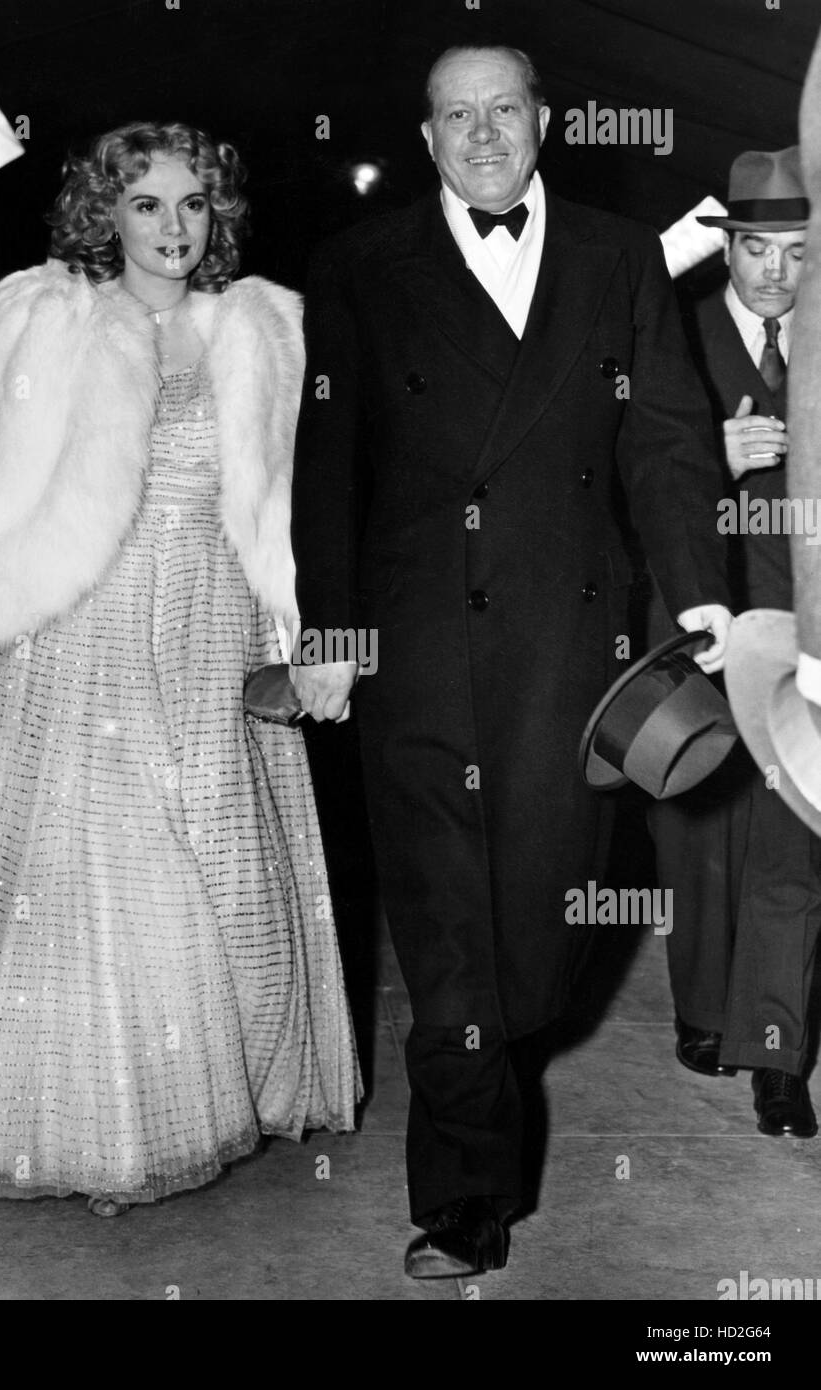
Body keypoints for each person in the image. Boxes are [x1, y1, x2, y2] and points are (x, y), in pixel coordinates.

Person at [291, 45, 731, 1278]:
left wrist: (699, 602)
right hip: (420, 647)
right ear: (425, 137)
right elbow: (325, 470)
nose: (482, 133)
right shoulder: (359, 267)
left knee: (537, 937)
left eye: (503, 109)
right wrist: (330, 628)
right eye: (454, 115)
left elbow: (667, 446)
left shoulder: (616, 253)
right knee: (448, 941)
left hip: (570, 657)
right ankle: (461, 1203)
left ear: (542, 120)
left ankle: (501, 1036)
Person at [0, 121, 360, 1215]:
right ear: (106, 212)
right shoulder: (42, 313)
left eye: (192, 204)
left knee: (222, 869)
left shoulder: (263, 328)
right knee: (100, 870)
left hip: (216, 628)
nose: (173, 227)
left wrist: (307, 636)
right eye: (147, 204)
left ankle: (213, 1088)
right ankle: (105, 1121)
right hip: (77, 632)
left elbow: (297, 507)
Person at [649, 148, 818, 1137]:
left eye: (798, 253)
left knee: (793, 834)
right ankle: (704, 1013)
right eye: (756, 247)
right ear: (727, 247)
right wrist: (708, 460)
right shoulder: (669, 336)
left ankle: (775, 1050)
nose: (774, 273)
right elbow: (619, 479)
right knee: (698, 832)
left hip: (806, 628)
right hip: (702, 621)